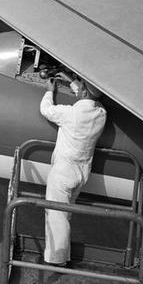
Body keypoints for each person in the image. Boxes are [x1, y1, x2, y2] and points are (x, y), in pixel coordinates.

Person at [39, 72, 107, 266]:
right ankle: (62, 255)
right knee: (65, 214)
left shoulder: (70, 113)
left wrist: (49, 92)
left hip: (63, 172)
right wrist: (71, 80)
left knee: (56, 215)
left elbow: (46, 110)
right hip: (82, 171)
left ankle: (57, 259)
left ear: (84, 90)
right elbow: (90, 96)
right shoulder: (101, 114)